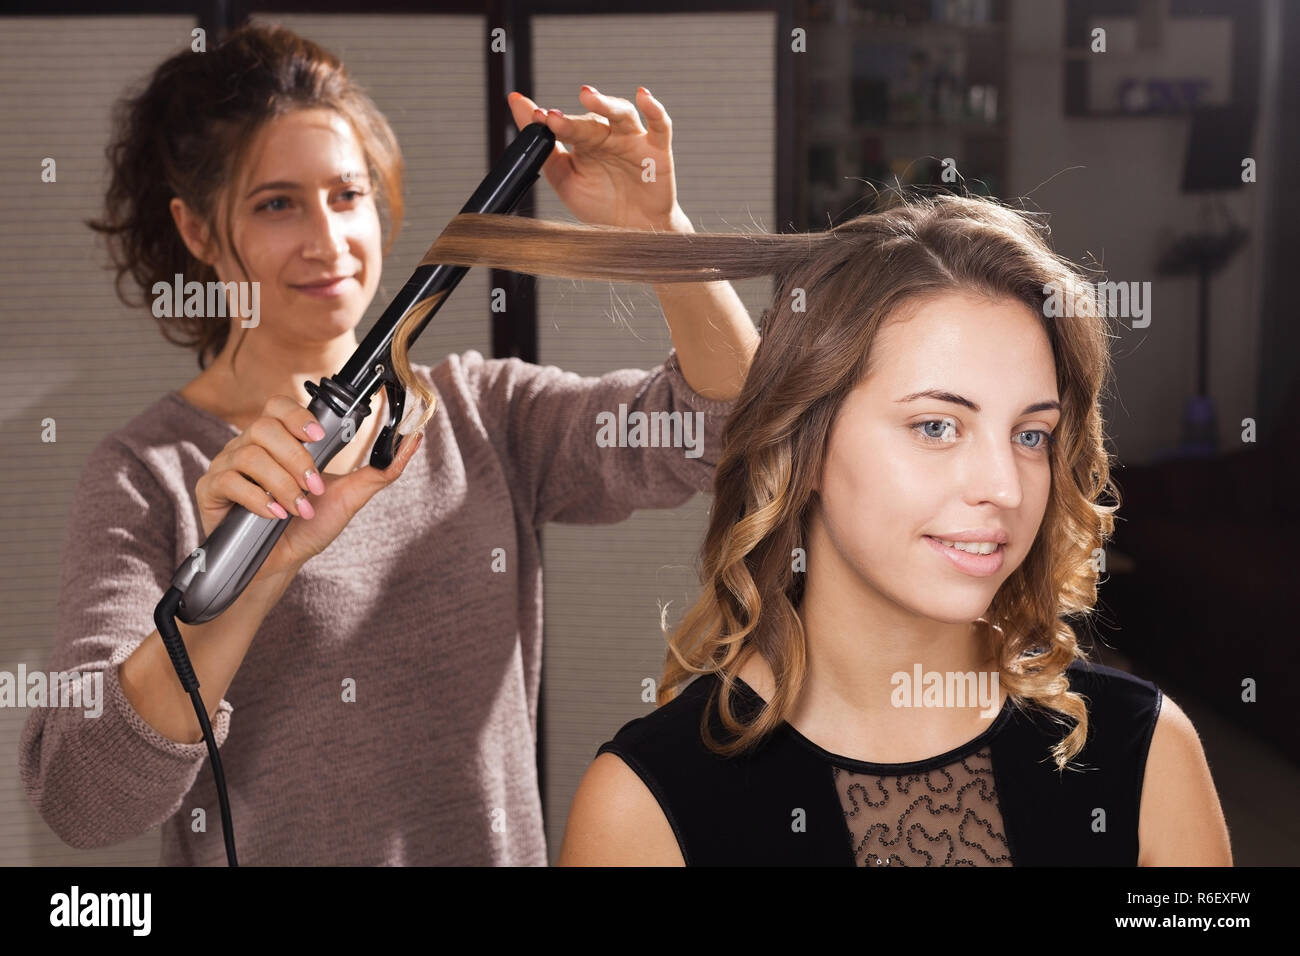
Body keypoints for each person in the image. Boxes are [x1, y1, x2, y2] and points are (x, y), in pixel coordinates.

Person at [18, 22, 757, 865]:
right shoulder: (147, 475)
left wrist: (656, 230)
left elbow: (734, 426)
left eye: (346, 194)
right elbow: (82, 798)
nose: (328, 241)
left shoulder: (483, 413)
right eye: (276, 204)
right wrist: (262, 568)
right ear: (195, 230)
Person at [507, 191, 1234, 867]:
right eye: (936, 426)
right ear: (807, 445)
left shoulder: (1144, 751)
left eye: (1031, 435)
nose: (1005, 488)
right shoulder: (642, 807)